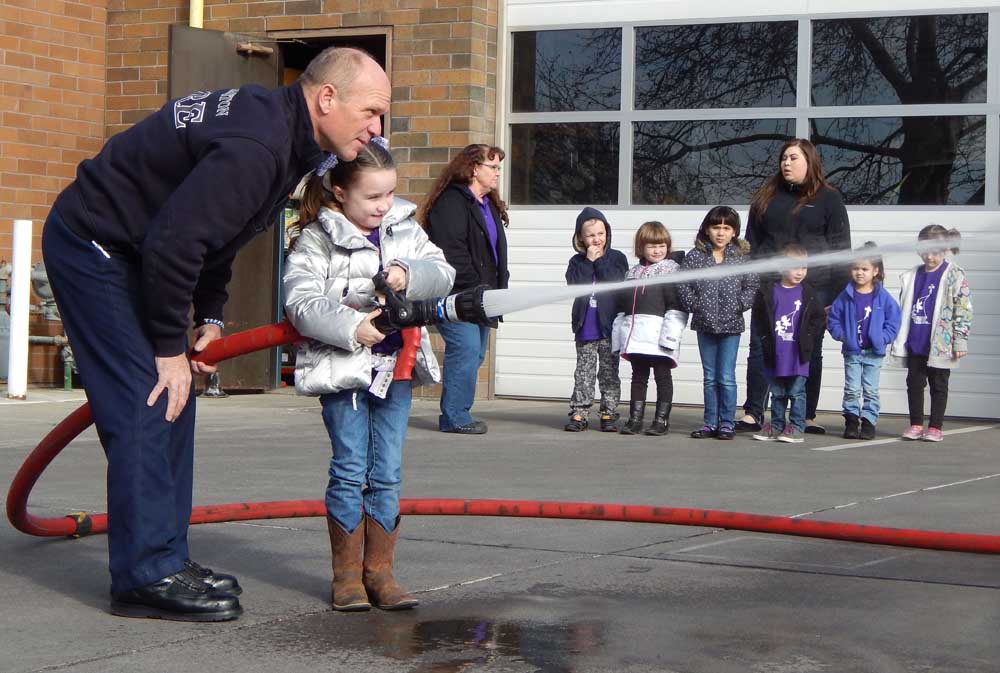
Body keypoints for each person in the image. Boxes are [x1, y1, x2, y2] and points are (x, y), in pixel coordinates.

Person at [39, 47, 391, 621]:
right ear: (327, 99)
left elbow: (217, 233)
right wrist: (167, 348)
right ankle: (144, 574)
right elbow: (175, 245)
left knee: (174, 402)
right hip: (94, 246)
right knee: (146, 397)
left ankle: (166, 557)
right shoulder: (260, 145)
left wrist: (210, 316)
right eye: (372, 111)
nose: (377, 127)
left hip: (140, 250)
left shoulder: (286, 138)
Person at [283, 139, 455, 611]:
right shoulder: (316, 239)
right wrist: (353, 326)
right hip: (345, 370)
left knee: (388, 472)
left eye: (389, 194)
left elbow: (443, 273)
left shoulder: (405, 229)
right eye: (373, 197)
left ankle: (380, 572)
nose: (384, 206)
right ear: (339, 192)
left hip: (395, 369)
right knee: (349, 468)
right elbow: (301, 302)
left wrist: (407, 271)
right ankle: (346, 578)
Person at [739, 139, 852, 435]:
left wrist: (836, 294)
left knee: (808, 350)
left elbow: (841, 248)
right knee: (761, 347)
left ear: (809, 162)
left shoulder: (829, 199)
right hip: (770, 287)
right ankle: (753, 411)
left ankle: (807, 415)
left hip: (814, 287)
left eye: (793, 158)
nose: (785, 163)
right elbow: (753, 243)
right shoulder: (767, 196)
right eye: (783, 158)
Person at [420, 144, 510, 435]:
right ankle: (455, 416)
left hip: (482, 297)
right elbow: (451, 251)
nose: (498, 173)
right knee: (467, 349)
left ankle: (459, 411)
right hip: (458, 295)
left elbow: (494, 252)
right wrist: (475, 287)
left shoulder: (486, 204)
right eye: (492, 167)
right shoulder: (451, 203)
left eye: (498, 167)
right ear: (474, 168)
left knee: (477, 353)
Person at [678, 207, 758, 440]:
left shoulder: (741, 257)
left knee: (726, 376)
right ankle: (709, 422)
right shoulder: (695, 256)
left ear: (734, 231)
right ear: (707, 229)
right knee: (710, 376)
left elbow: (752, 285)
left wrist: (739, 304)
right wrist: (696, 305)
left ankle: (726, 422)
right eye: (716, 227)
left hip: (731, 326)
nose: (721, 233)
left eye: (726, 228)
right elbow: (683, 284)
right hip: (705, 325)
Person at [888, 225, 972, 442]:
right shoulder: (912, 276)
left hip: (940, 344)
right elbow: (904, 308)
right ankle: (915, 424)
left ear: (945, 250)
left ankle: (935, 427)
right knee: (914, 383)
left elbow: (963, 307)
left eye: (935, 252)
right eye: (925, 251)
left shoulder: (954, 274)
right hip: (916, 341)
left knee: (939, 384)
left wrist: (960, 339)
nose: (930, 257)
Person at [611, 221, 687, 436]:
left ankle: (661, 420)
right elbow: (623, 308)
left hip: (659, 336)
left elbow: (676, 308)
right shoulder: (632, 274)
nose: (657, 250)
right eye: (652, 246)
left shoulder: (672, 273)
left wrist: (670, 337)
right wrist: (620, 336)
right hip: (636, 337)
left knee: (662, 377)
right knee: (638, 377)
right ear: (641, 248)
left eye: (662, 245)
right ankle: (635, 419)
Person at [750, 244, 827, 443]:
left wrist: (809, 337)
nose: (800, 272)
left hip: (798, 354)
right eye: (795, 267)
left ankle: (795, 426)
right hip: (776, 354)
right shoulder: (769, 291)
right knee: (777, 393)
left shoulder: (808, 293)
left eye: (804, 267)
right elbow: (759, 317)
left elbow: (818, 318)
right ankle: (776, 425)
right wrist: (765, 338)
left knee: (796, 392)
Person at [827, 243, 902, 440]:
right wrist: (842, 335)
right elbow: (833, 318)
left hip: (874, 352)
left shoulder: (882, 297)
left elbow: (894, 320)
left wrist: (883, 338)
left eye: (864, 269)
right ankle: (851, 421)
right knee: (852, 388)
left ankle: (868, 422)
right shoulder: (846, 295)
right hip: (852, 351)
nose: (859, 273)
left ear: (875, 271)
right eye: (855, 268)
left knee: (870, 389)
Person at [564, 207, 629, 432]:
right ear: (581, 237)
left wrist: (598, 262)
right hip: (586, 329)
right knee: (584, 373)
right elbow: (574, 285)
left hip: (609, 328)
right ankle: (580, 413)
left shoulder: (617, 258)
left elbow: (616, 281)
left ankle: (608, 413)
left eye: (600, 234)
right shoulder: (576, 262)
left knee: (609, 373)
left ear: (607, 234)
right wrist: (588, 262)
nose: (596, 239)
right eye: (591, 235)